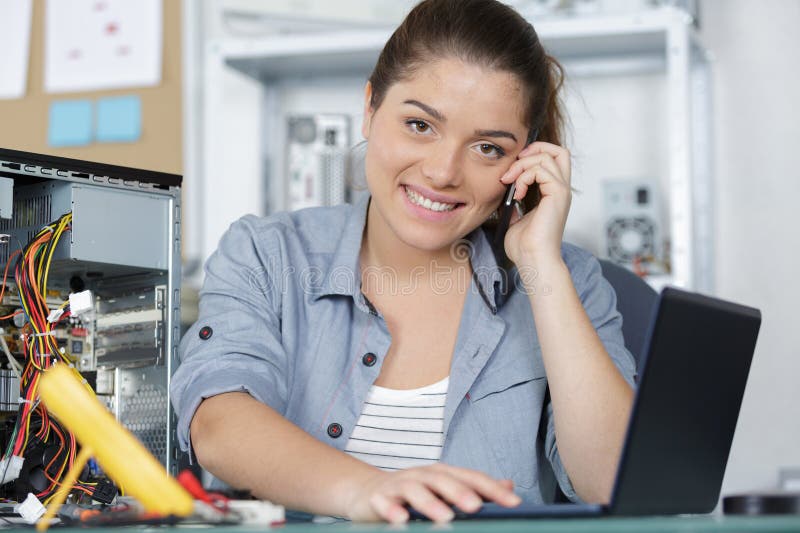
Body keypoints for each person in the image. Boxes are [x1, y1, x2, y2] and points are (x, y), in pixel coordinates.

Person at [170, 0, 636, 524]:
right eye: (419, 125)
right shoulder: (266, 255)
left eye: (488, 148)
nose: (442, 172)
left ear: (525, 160)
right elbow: (217, 423)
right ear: (370, 108)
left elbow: (615, 483)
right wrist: (370, 491)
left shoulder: (566, 280)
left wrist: (541, 265)